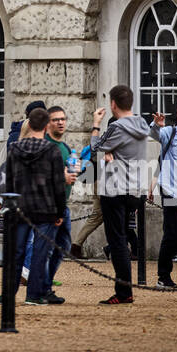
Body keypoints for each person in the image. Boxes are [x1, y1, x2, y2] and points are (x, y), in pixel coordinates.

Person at [91, 85, 152, 305]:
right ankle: (125, 289)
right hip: (135, 189)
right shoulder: (142, 124)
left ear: (113, 104)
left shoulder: (116, 127)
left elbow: (95, 146)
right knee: (124, 238)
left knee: (117, 242)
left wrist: (96, 124)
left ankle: (124, 291)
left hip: (114, 188)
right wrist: (111, 149)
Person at [1, 107, 67, 305]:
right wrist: (60, 210)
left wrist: (9, 205)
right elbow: (58, 184)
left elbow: (9, 181)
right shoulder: (52, 150)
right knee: (39, 253)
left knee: (16, 252)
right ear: (47, 126)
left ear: (28, 124)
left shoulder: (14, 149)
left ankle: (8, 294)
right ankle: (33, 295)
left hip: (20, 206)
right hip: (45, 207)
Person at [150, 100, 177, 289]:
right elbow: (153, 136)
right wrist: (156, 125)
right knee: (172, 234)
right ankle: (164, 276)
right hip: (170, 190)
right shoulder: (170, 132)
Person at [42, 106, 80, 290]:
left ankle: (46, 283)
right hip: (48, 206)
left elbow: (69, 176)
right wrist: (61, 177)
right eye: (56, 119)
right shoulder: (44, 145)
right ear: (48, 123)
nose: (60, 122)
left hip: (62, 204)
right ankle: (42, 287)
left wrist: (75, 172)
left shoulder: (65, 147)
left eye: (63, 119)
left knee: (62, 246)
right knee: (46, 249)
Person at [69, 116, 105, 258]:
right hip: (103, 183)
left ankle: (76, 245)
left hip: (97, 181)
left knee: (97, 216)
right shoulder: (107, 141)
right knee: (112, 215)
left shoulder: (103, 140)